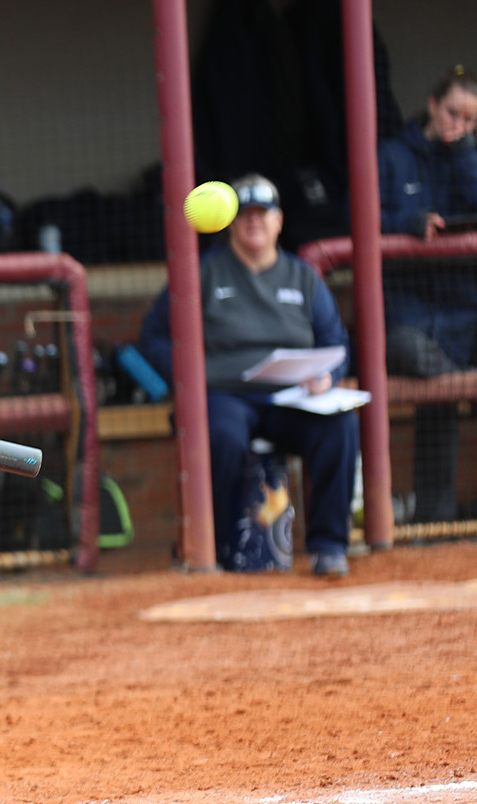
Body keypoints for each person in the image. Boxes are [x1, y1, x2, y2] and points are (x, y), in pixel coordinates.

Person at [139, 174, 359, 576]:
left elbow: (335, 341)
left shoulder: (303, 277)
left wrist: (328, 375)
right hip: (225, 395)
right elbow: (153, 336)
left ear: (279, 220)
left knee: (339, 426)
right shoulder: (202, 273)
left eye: (263, 212)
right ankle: (220, 549)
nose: (254, 221)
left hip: (291, 397)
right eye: (244, 214)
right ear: (229, 221)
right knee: (221, 436)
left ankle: (329, 546)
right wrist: (191, 377)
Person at [379, 65, 477, 523]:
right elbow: (358, 217)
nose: (460, 125)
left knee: (443, 386)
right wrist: (410, 224)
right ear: (433, 104)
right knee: (429, 371)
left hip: (465, 313)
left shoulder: (469, 156)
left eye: (471, 120)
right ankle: (436, 519)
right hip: (410, 317)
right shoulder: (391, 155)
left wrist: (464, 154)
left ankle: (441, 517)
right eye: (454, 113)